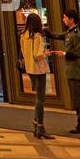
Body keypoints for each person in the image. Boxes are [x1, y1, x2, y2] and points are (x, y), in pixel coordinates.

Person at [18, 12, 54, 140]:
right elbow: (37, 55)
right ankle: (40, 126)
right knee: (40, 99)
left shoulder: (23, 36)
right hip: (39, 69)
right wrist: (46, 53)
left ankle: (36, 123)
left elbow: (24, 53)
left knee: (39, 98)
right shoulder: (37, 37)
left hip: (30, 69)